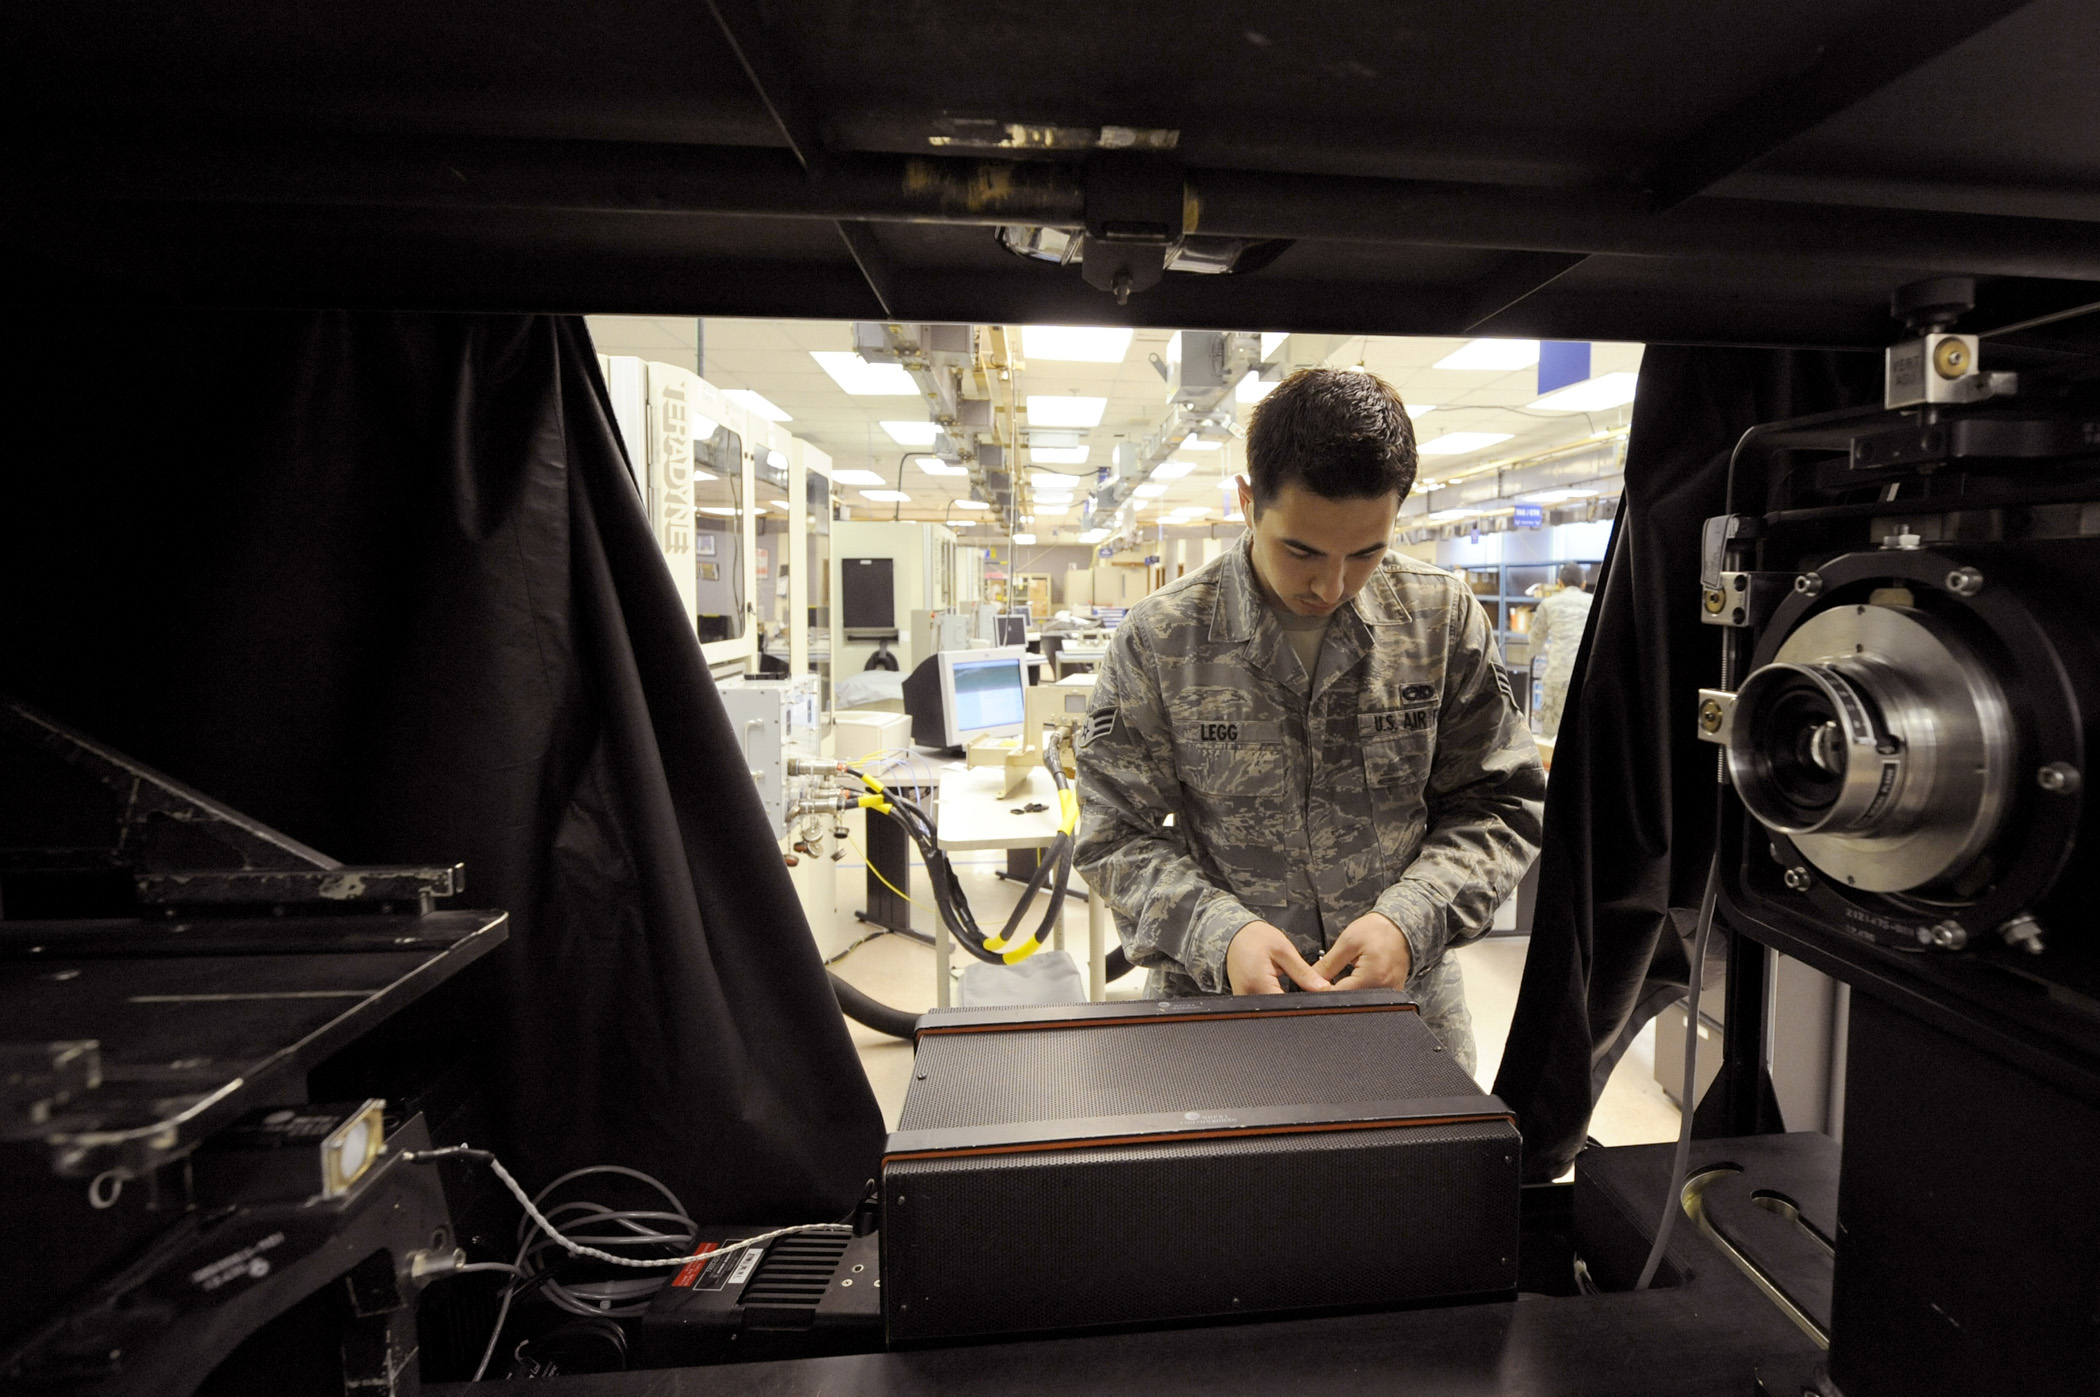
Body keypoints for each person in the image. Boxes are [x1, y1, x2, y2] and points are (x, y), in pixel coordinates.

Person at [1073, 368, 1545, 1073]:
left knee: (1423, 1185)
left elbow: (1502, 802)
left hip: (1404, 1010)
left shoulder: (1440, 621)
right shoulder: (1161, 639)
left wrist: (1410, 919)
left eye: (1366, 553)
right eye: (1302, 550)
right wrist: (1220, 933)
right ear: (1246, 503)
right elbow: (1113, 833)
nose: (1331, 586)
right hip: (1216, 1015)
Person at [1529, 562, 1593, 740]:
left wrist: (1546, 650)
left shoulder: (1548, 603)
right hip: (1587, 677)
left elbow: (1535, 642)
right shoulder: (1594, 603)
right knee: (1583, 736)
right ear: (1583, 584)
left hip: (1557, 677)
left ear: (1559, 583)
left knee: (1550, 736)